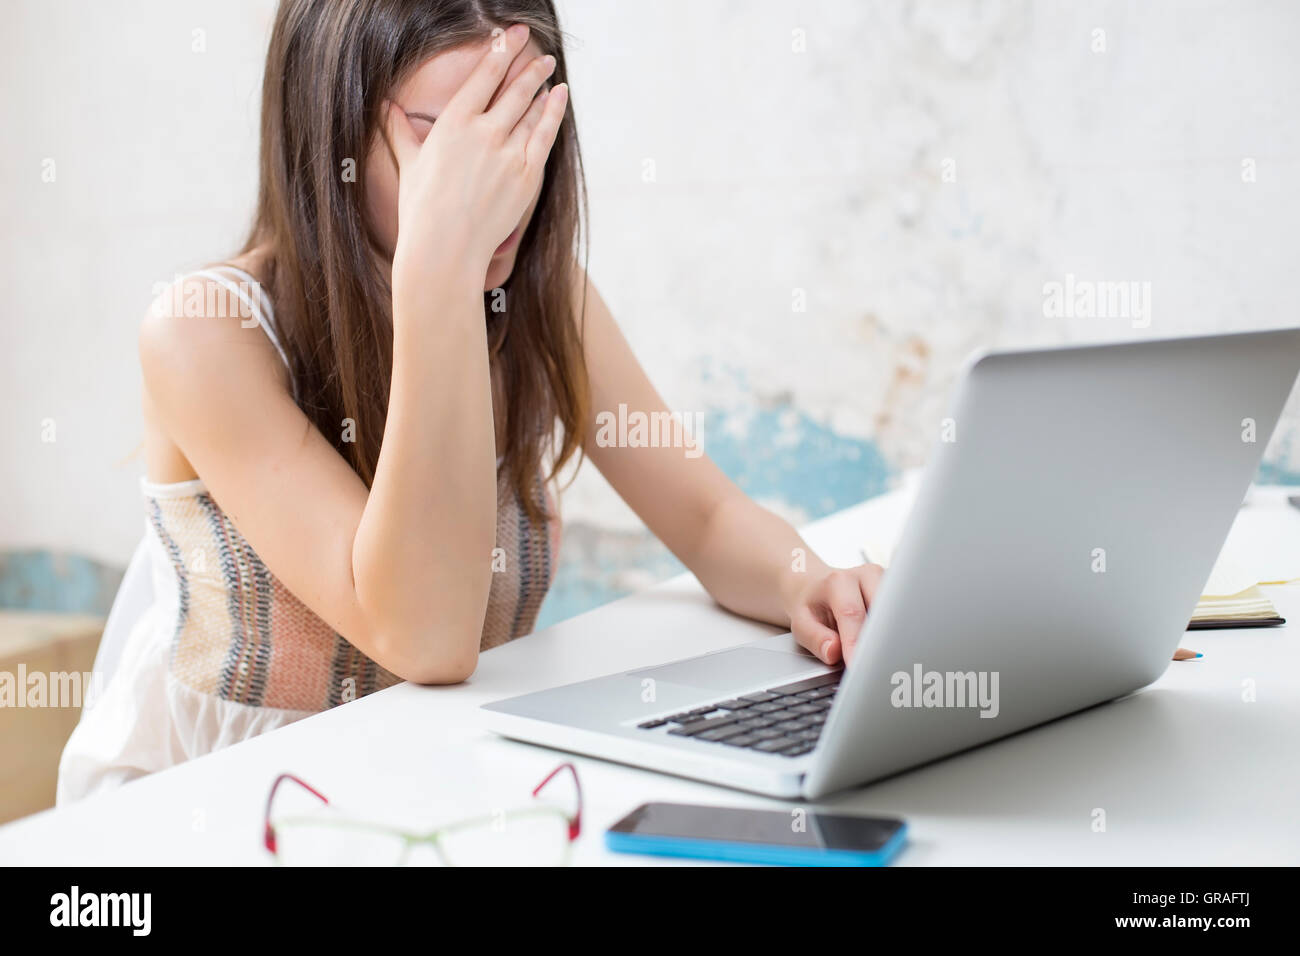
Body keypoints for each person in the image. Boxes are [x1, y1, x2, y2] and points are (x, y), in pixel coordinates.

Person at [56, 0, 884, 803]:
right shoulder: (205, 332)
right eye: (448, 138)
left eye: (524, 125)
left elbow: (704, 519)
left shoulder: (542, 298)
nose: (502, 180)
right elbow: (424, 638)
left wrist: (808, 582)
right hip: (213, 807)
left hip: (429, 778)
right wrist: (438, 275)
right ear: (331, 126)